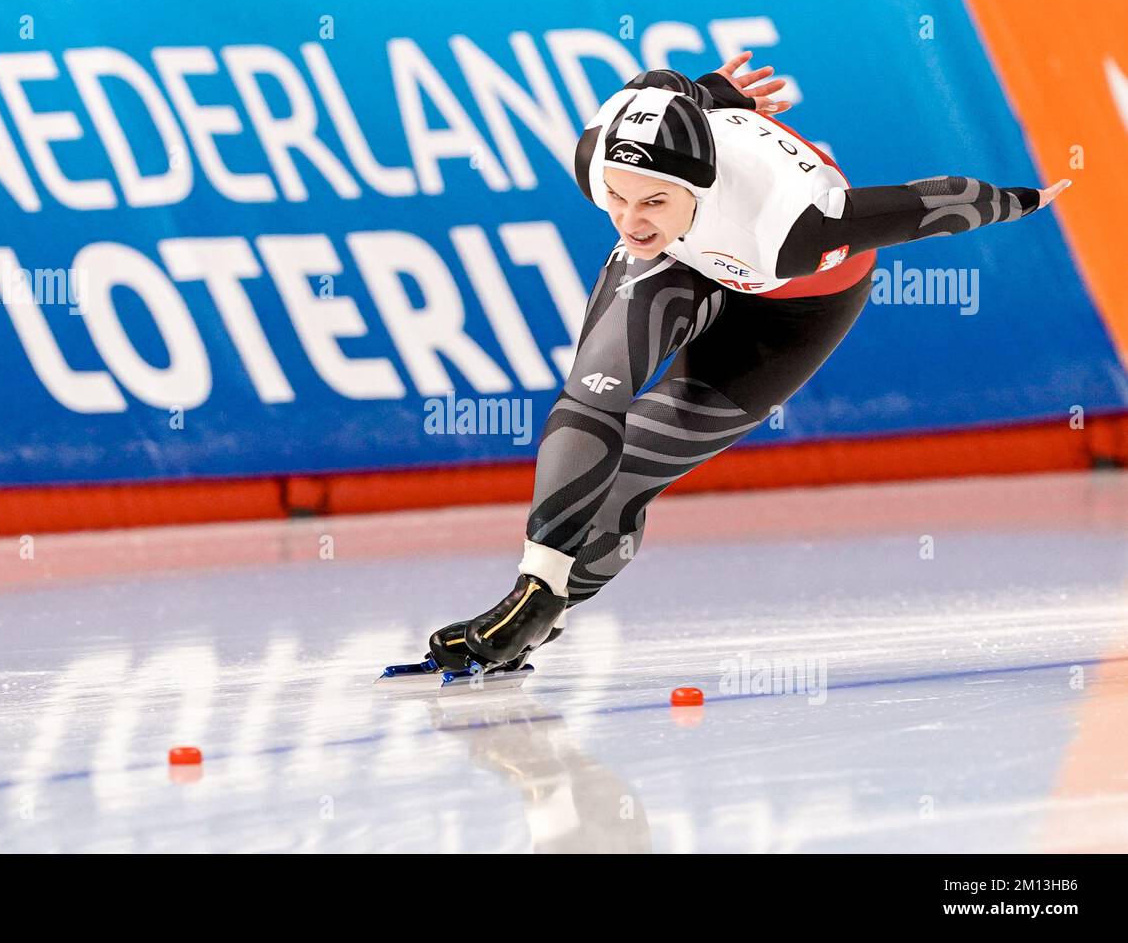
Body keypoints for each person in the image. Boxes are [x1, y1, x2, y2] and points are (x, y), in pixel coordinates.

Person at [416, 54, 1072, 677]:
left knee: (629, 475)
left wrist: (1023, 198)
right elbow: (660, 84)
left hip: (793, 311)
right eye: (617, 197)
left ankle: (552, 611)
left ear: (699, 187)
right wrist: (711, 90)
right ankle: (535, 590)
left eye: (651, 202)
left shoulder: (792, 225)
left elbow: (925, 206)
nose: (628, 219)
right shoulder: (600, 156)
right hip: (682, 260)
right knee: (596, 387)